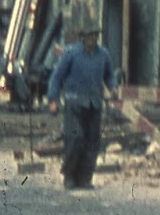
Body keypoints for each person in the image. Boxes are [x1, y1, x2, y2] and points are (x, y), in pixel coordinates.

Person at [46, 25, 119, 190]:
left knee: (92, 142)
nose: (92, 39)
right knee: (75, 139)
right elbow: (56, 78)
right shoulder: (71, 53)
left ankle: (85, 178)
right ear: (83, 37)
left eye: (95, 35)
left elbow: (110, 75)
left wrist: (113, 88)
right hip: (74, 103)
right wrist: (53, 99)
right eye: (89, 35)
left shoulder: (103, 55)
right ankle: (69, 176)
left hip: (95, 103)